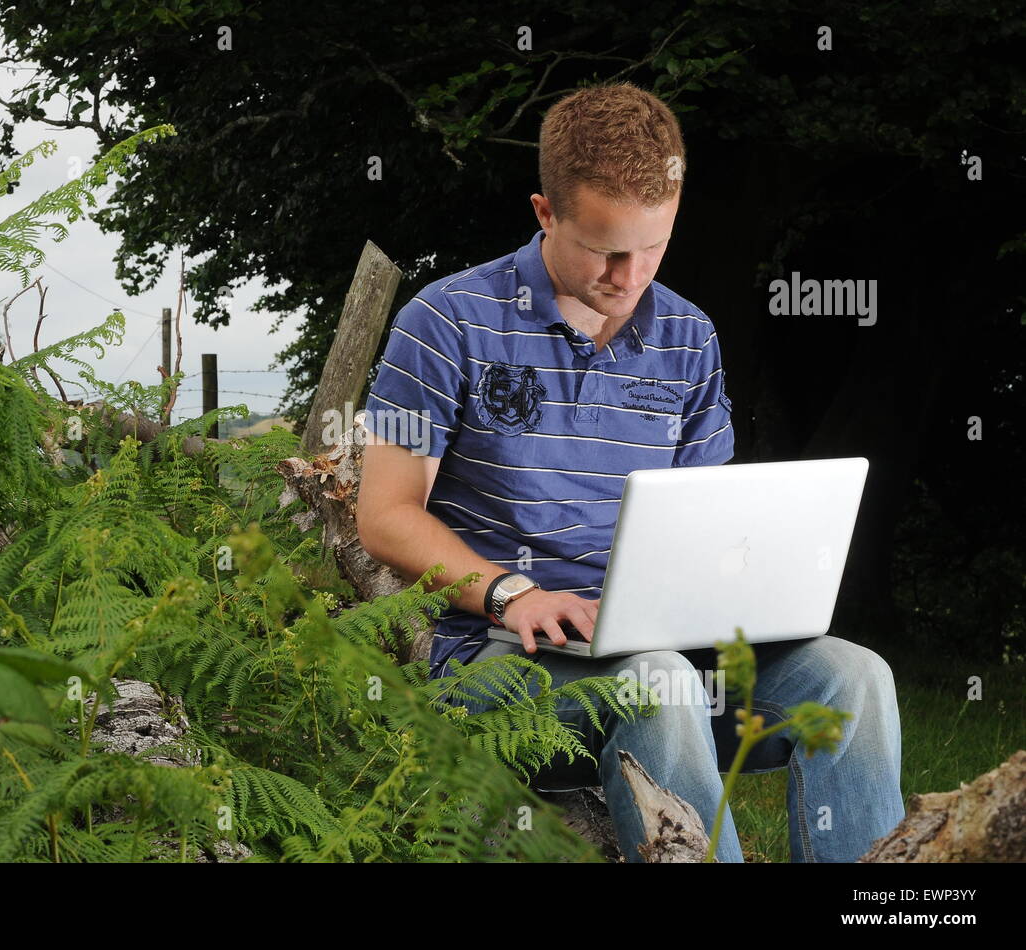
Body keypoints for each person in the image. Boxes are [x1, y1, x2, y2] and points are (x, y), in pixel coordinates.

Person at [353, 82, 904, 862]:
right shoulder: (442, 323)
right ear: (545, 212)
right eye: (606, 249)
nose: (630, 273)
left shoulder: (689, 337)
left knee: (856, 677)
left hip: (668, 655)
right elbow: (384, 514)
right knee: (660, 678)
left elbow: (706, 519)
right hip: (499, 666)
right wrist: (512, 594)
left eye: (654, 246)